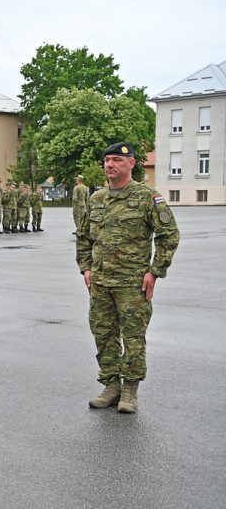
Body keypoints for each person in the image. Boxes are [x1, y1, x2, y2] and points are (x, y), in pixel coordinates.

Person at [77, 142, 179, 413]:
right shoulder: (96, 199)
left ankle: (130, 391)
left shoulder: (147, 198)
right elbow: (84, 236)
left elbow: (169, 236)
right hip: (100, 283)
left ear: (131, 164)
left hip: (133, 284)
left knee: (133, 336)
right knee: (103, 334)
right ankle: (111, 386)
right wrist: (85, 267)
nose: (110, 165)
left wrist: (155, 272)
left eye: (117, 160)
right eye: (107, 160)